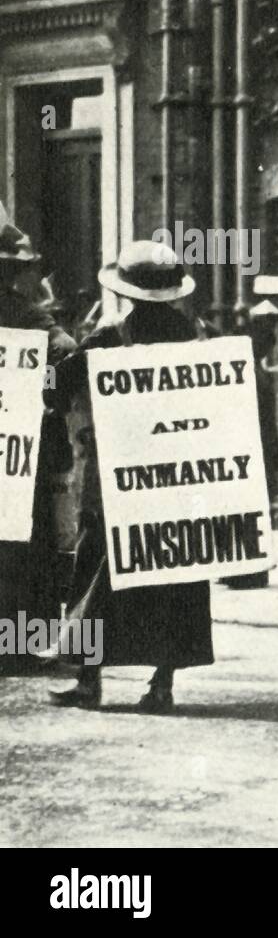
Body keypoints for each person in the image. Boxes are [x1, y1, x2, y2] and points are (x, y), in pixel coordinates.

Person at [48, 240, 214, 711]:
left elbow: (57, 384)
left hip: (116, 482)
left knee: (98, 569)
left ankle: (89, 680)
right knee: (177, 575)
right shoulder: (200, 337)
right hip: (181, 478)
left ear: (126, 292)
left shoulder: (107, 336)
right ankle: (162, 684)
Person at [0, 203, 76, 674]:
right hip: (20, 456)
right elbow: (66, 355)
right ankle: (22, 644)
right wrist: (46, 393)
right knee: (27, 546)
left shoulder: (28, 316)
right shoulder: (27, 315)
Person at [223, 299, 278, 590]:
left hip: (253, 450)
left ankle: (240, 568)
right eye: (267, 339)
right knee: (248, 510)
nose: (271, 345)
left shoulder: (254, 369)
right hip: (251, 451)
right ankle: (246, 570)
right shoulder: (250, 371)